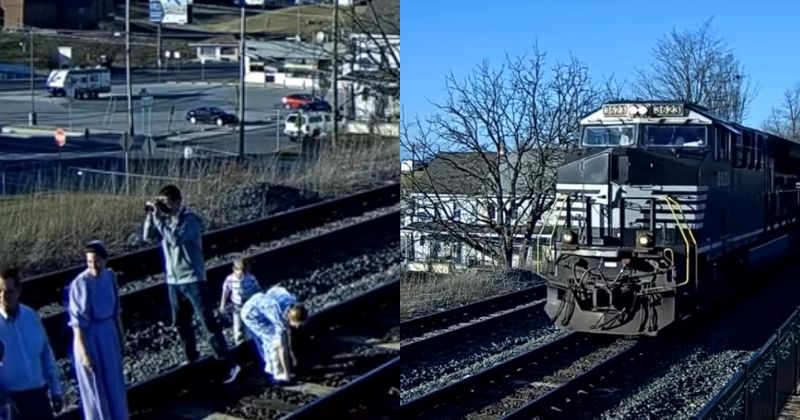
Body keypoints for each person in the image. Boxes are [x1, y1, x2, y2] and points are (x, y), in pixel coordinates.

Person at [143, 184, 241, 384]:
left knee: (207, 323)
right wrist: (150, 216)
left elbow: (175, 239)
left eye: (167, 203)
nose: (165, 207)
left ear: (178, 202)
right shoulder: (165, 220)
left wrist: (159, 219)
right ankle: (191, 357)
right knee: (180, 322)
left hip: (193, 279)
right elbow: (147, 237)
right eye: (162, 203)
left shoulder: (190, 220)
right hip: (173, 280)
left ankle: (228, 363)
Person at [68, 241, 128, 420]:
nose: (94, 266)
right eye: (90, 262)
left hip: (108, 335)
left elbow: (117, 312)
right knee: (96, 386)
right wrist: (85, 353)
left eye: (97, 261)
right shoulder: (80, 283)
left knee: (114, 384)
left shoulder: (110, 276)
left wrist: (121, 337)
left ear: (105, 260)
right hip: (90, 337)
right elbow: (77, 324)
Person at [0, 267, 63, 419]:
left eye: (9, 291)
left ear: (18, 291)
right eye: (0, 291)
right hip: (11, 404)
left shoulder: (31, 317)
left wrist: (56, 391)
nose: (3, 296)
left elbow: (46, 354)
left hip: (39, 397)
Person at [240, 286, 308, 384]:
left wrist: (292, 355)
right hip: (251, 314)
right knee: (272, 340)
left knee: (277, 338)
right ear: (290, 318)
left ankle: (278, 369)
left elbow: (275, 289)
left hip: (261, 304)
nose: (297, 327)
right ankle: (276, 373)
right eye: (297, 324)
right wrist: (287, 374)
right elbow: (282, 348)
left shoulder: (294, 305)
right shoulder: (279, 317)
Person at [219, 258, 261, 344]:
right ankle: (239, 342)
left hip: (249, 305)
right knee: (238, 326)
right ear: (234, 269)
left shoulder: (251, 278)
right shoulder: (230, 279)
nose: (241, 275)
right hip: (237, 306)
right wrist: (222, 304)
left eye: (243, 272)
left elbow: (257, 289)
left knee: (250, 324)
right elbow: (225, 290)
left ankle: (252, 341)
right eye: (239, 272)